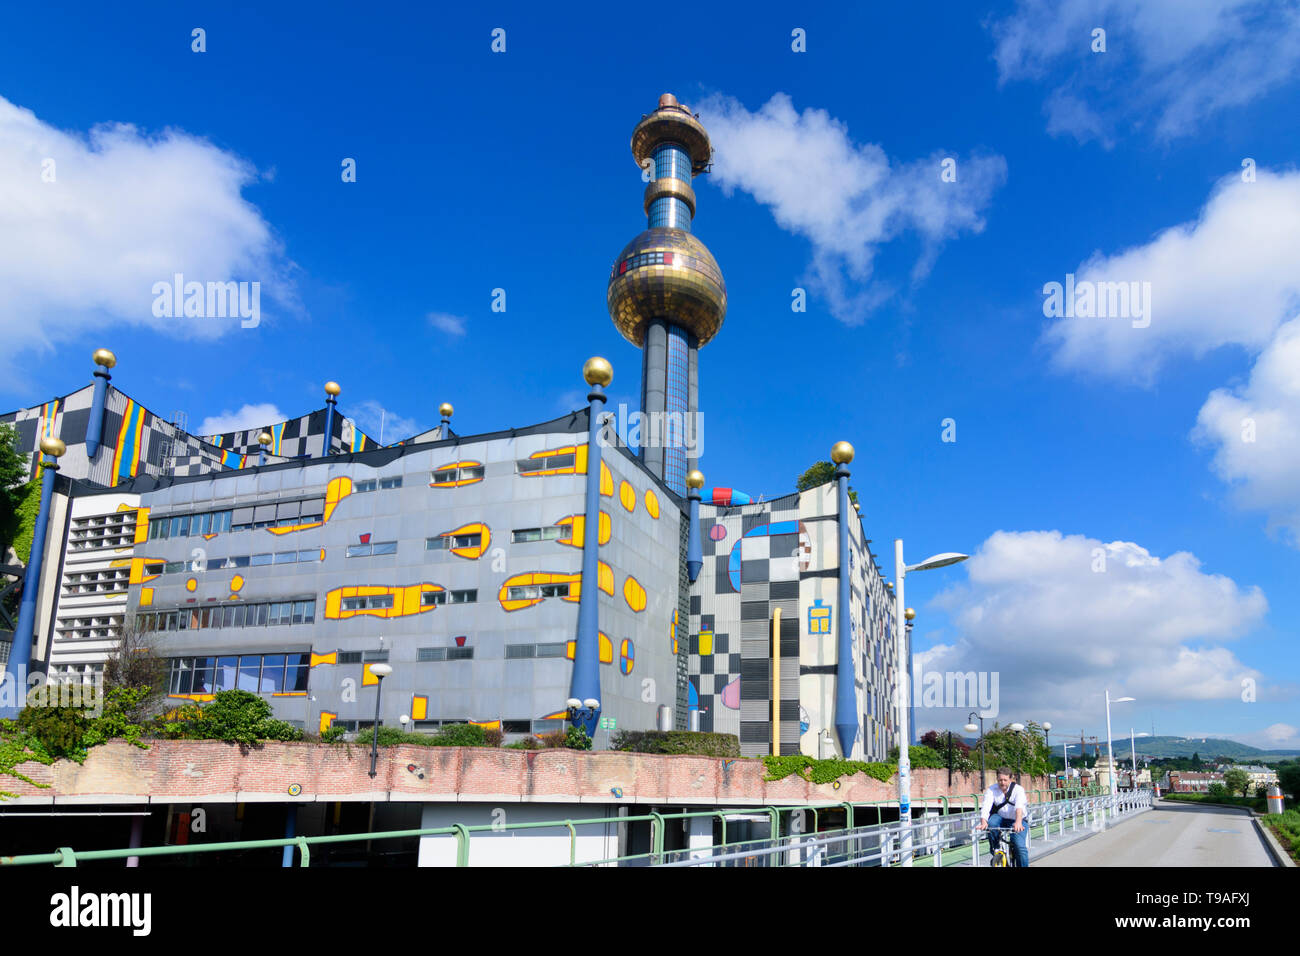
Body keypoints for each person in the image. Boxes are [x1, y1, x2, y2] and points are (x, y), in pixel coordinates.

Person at [976, 767, 1029, 866]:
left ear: (1010, 779)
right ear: (997, 779)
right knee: (991, 824)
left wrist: (1018, 822)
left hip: (1017, 819)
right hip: (1001, 818)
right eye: (1000, 780)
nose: (1002, 783)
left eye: (1005, 780)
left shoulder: (1018, 790)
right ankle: (996, 848)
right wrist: (983, 822)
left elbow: (1019, 807)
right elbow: (986, 806)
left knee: (1020, 847)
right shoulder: (992, 789)